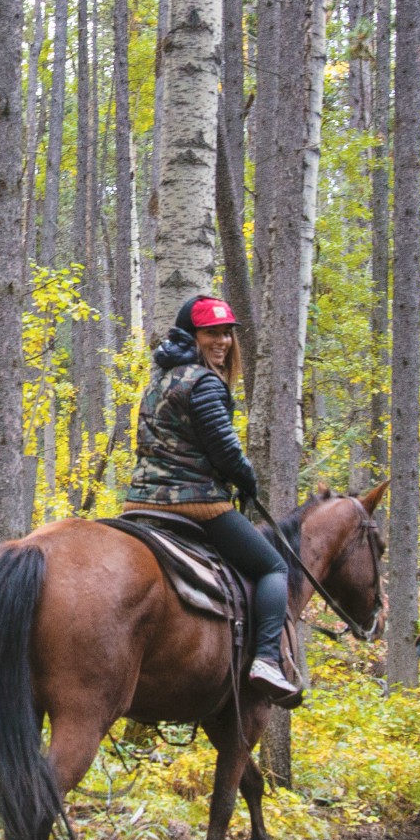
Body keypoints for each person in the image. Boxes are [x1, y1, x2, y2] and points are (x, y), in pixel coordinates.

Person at [119, 295, 298, 706]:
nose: (222, 341)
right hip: (195, 503)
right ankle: (267, 661)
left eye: (226, 333)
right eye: (211, 332)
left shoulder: (159, 379)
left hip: (140, 505)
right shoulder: (204, 383)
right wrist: (247, 480)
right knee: (273, 565)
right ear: (192, 334)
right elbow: (225, 451)